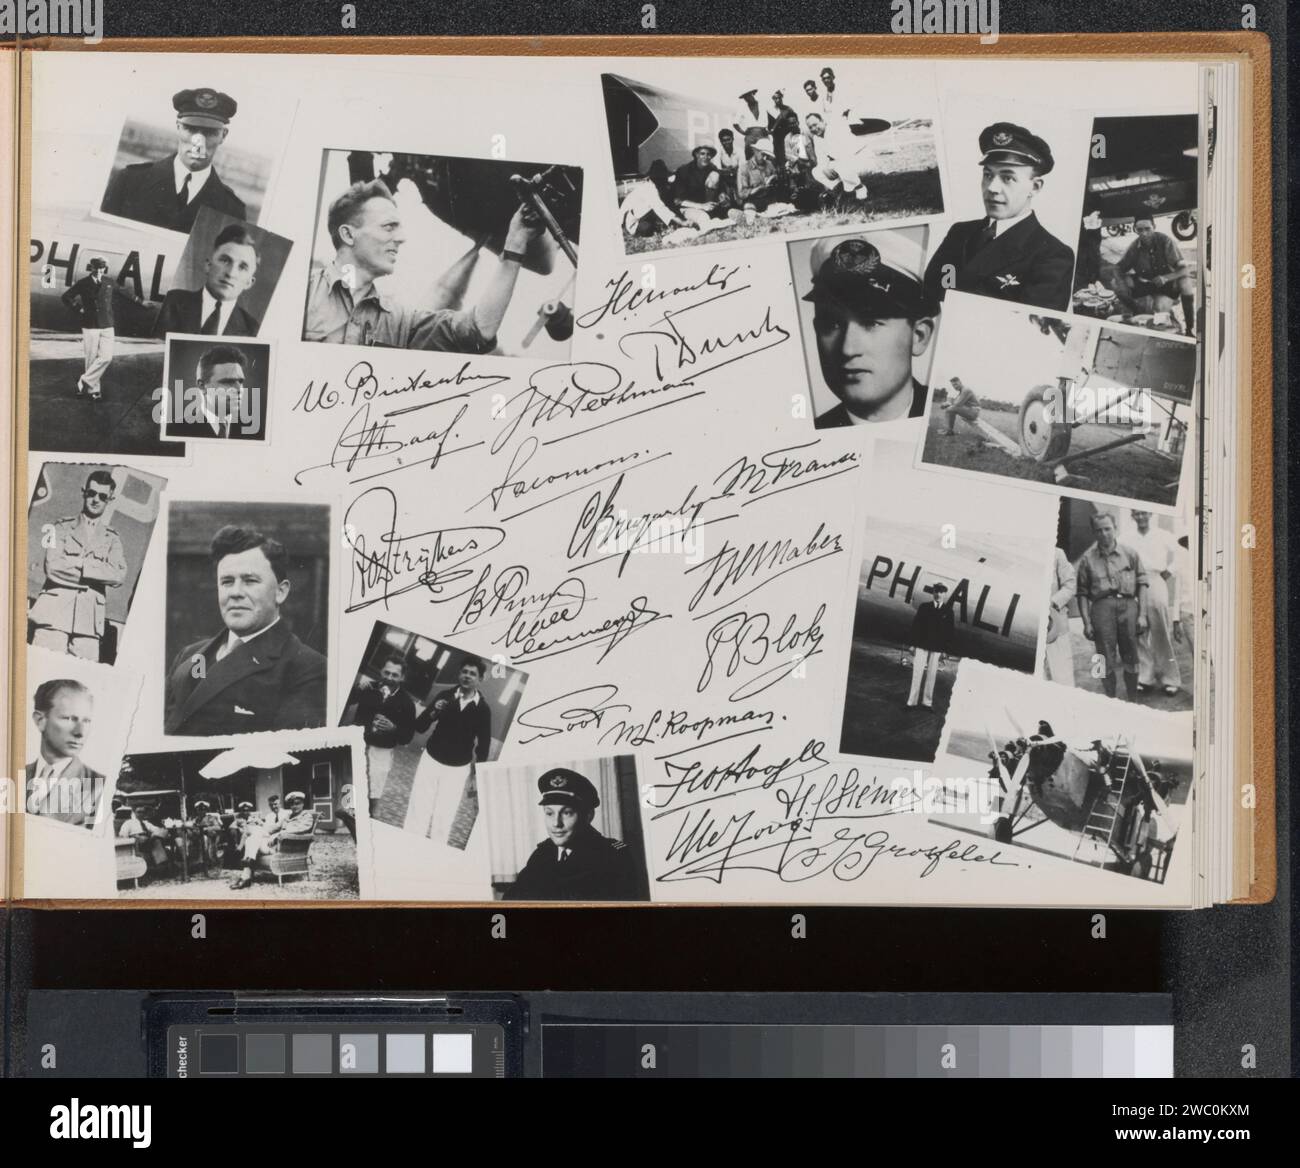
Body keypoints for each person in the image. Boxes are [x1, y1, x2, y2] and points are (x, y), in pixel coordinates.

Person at [305, 178, 542, 349]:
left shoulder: (402, 322)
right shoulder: (298, 293)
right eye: (389, 226)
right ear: (348, 235)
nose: (401, 238)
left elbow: (479, 330)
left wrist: (516, 242)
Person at [163, 524, 327, 736]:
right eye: (227, 582)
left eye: (250, 581)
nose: (235, 593)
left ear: (280, 592)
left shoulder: (307, 670)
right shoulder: (190, 656)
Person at [923, 122, 1075, 312]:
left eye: (1008, 178)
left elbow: (1028, 331)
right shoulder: (960, 233)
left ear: (1035, 187)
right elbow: (928, 295)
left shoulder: (1052, 255)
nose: (992, 188)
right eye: (988, 175)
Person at [806, 235, 936, 427]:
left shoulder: (942, 420)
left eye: (870, 323)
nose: (848, 349)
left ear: (919, 337)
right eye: (831, 324)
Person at [101, 87, 246, 234]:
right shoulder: (128, 181)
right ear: (178, 127)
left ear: (223, 135)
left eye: (210, 133)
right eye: (190, 129)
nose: (198, 142)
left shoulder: (232, 210)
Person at [28, 469, 127, 661]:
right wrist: (96, 570)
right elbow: (53, 567)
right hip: (53, 616)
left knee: (80, 680)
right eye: (91, 493)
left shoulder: (112, 539)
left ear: (110, 499)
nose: (95, 500)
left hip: (88, 623)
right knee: (43, 669)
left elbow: (119, 574)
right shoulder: (60, 527)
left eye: (102, 496)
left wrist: (78, 564)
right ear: (84, 492)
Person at [503, 768, 642, 902]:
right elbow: (511, 900)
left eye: (567, 813)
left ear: (588, 816)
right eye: (549, 813)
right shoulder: (542, 854)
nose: (556, 823)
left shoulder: (613, 857)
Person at [403, 658, 493, 842]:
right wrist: (433, 711)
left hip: (458, 769)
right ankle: (409, 848)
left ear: (481, 678)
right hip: (431, 760)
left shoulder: (483, 709)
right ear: (459, 674)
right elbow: (420, 726)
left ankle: (436, 856)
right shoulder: (444, 695)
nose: (467, 676)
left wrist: (477, 776)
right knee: (418, 808)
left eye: (472, 673)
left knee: (444, 816)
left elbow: (483, 745)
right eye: (464, 671)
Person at [1075, 511, 1149, 701]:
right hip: (1101, 608)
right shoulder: (1087, 559)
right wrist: (1086, 623)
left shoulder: (1130, 554)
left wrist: (1142, 615)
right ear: (1094, 533)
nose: (1104, 534)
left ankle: (1132, 699)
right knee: (1102, 657)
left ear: (1115, 529)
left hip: (1128, 606)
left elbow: (1142, 584)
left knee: (1131, 654)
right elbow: (1082, 593)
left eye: (1107, 529)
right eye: (1098, 530)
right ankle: (1109, 698)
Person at [153, 223, 262, 338]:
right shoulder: (170, 302)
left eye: (242, 267)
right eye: (225, 261)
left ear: (249, 282)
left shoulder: (253, 329)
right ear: (208, 265)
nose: (231, 273)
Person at [25, 679, 104, 828]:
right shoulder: (10, 776)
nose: (80, 732)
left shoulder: (101, 786)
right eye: (68, 718)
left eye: (86, 721)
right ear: (40, 720)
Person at [347, 654, 418, 817]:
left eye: (395, 675)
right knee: (349, 785)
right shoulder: (369, 688)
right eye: (387, 673)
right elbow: (345, 702)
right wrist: (356, 689)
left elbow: (407, 737)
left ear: (402, 677)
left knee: (373, 792)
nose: (389, 678)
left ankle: (369, 819)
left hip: (381, 753)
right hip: (358, 745)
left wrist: (394, 728)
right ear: (381, 671)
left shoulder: (406, 703)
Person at [61, 258, 136, 400]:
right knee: (90, 358)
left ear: (104, 269)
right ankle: (93, 391)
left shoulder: (108, 282)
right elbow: (66, 297)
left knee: (106, 357)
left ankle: (83, 381)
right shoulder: (83, 283)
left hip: (107, 324)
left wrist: (141, 301)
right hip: (90, 325)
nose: (99, 271)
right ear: (91, 268)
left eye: (102, 268)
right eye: (96, 268)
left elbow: (124, 292)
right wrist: (80, 309)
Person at [1112, 216, 1196, 336]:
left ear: (1154, 227)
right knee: (1115, 283)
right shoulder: (1134, 246)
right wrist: (1122, 286)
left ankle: (1189, 329)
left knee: (1184, 284)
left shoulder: (1166, 241)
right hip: (1146, 283)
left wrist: (1166, 277)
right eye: (1140, 230)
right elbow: (1117, 268)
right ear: (1135, 230)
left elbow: (1185, 269)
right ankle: (1136, 311)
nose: (1144, 233)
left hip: (1166, 285)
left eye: (1147, 229)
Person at [1128, 510, 1181, 696]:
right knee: (1138, 633)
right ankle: (1145, 677)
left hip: (1156, 581)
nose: (1141, 517)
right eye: (1136, 514)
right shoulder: (1126, 537)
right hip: (1133, 584)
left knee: (1161, 631)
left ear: (1150, 514)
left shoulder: (1162, 535)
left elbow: (1183, 550)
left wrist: (1170, 570)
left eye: (1143, 513)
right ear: (1132, 516)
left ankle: (1170, 679)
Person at [163, 343, 262, 441]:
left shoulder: (255, 432)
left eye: (240, 381)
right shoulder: (174, 432)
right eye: (227, 382)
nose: (238, 389)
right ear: (202, 386)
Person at [228, 790, 316, 889]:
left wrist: (278, 834)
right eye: (291, 804)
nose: (294, 806)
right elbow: (273, 827)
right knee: (254, 834)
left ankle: (246, 869)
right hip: (276, 845)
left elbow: (299, 829)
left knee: (254, 837)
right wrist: (256, 828)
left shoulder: (306, 817)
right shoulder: (288, 816)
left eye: (297, 803)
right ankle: (248, 865)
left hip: (287, 847)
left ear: (303, 803)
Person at [907, 582, 954, 708]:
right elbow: (916, 626)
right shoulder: (924, 607)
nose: (938, 594)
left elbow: (949, 633)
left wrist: (945, 651)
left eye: (941, 592)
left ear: (944, 594)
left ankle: (927, 703)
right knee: (917, 673)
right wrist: (912, 644)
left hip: (936, 648)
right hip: (922, 645)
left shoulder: (948, 611)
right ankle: (911, 702)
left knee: (931, 676)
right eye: (936, 591)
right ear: (933, 593)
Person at [619, 160, 689, 237]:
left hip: (642, 215)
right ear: (656, 179)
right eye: (663, 178)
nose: (665, 180)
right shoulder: (649, 189)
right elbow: (661, 209)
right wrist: (682, 222)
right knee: (647, 229)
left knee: (661, 223)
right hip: (632, 221)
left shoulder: (655, 186)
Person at [1044, 546, 1077, 685]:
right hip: (1028, 624)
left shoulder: (1057, 553)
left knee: (1063, 677)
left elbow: (1070, 584)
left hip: (1056, 626)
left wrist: (1052, 604)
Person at [671, 145, 725, 227]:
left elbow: (720, 187)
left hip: (707, 206)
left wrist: (722, 195)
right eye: (702, 154)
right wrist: (701, 206)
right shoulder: (684, 170)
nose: (706, 157)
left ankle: (712, 216)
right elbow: (678, 200)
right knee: (704, 219)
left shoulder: (712, 168)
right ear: (696, 155)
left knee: (715, 175)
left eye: (708, 154)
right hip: (688, 207)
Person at [735, 138, 782, 211]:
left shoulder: (769, 164)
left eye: (767, 156)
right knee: (749, 208)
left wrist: (774, 180)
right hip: (752, 202)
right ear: (755, 151)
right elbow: (742, 194)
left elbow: (775, 180)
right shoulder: (744, 168)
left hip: (769, 200)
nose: (765, 158)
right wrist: (759, 188)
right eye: (763, 154)